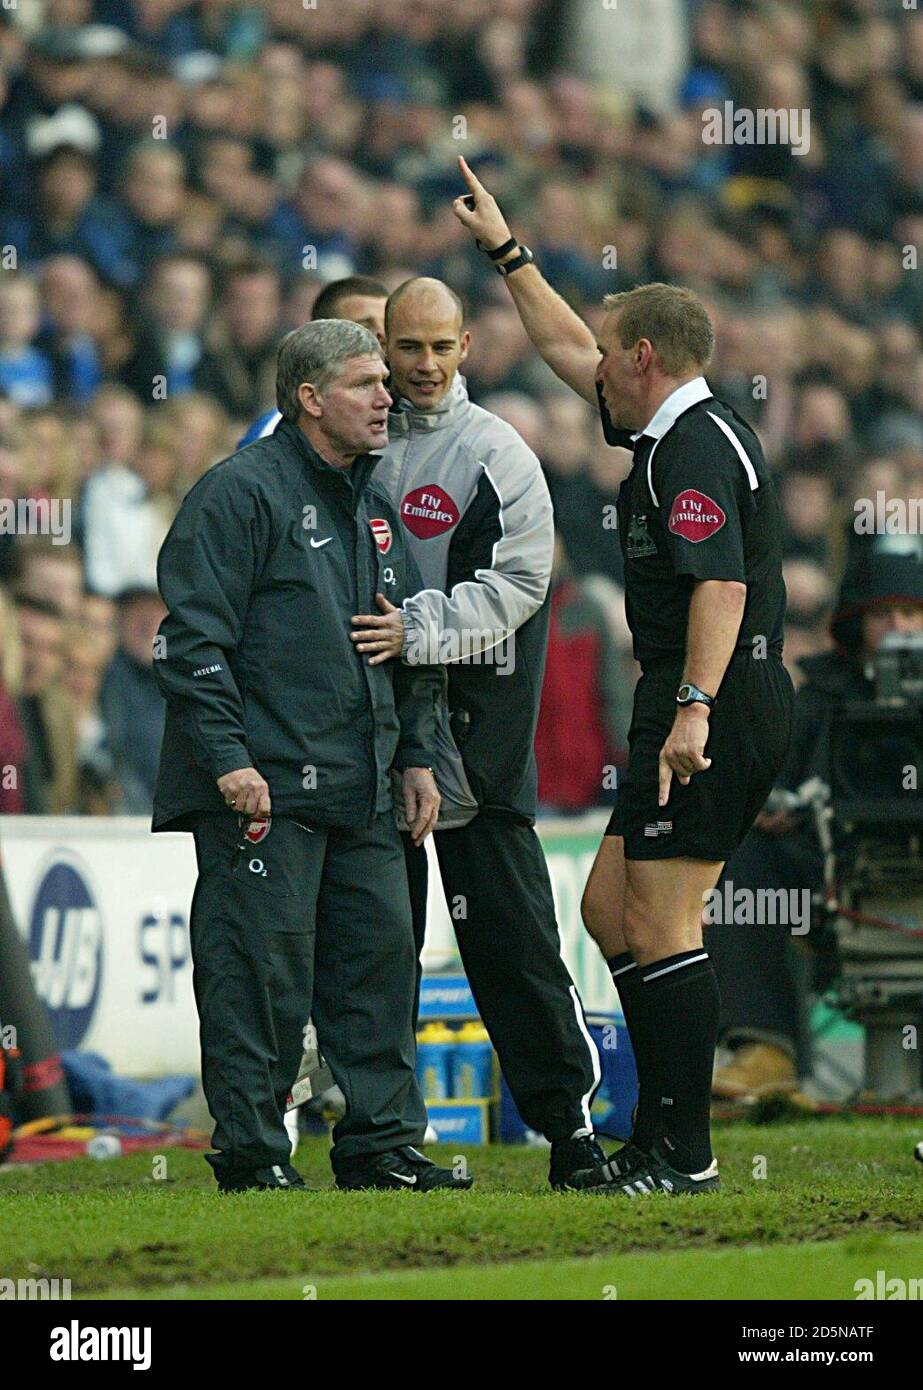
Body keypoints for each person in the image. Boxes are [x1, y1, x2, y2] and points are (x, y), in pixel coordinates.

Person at [452, 161, 793, 1196]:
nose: (588, 367)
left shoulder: (689, 448)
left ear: (641, 357)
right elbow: (563, 345)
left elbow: (720, 591)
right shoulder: (667, 425)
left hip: (713, 700)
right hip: (685, 699)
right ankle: (659, 1134)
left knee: (662, 917)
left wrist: (689, 707)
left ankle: (678, 1151)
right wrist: (507, 253)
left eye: (606, 353)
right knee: (609, 908)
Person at [152, 318, 468, 1194]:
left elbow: (402, 643)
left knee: (377, 968)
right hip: (264, 790)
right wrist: (229, 762)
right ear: (308, 397)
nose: (387, 395)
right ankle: (252, 1155)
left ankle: (381, 1146)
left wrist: (415, 757)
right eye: (367, 382)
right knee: (257, 977)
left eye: (384, 381)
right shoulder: (238, 495)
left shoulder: (374, 504)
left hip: (364, 784)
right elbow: (190, 643)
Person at [348, 276, 604, 1188]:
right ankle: (381, 1138)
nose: (422, 367)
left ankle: (571, 1135)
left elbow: (519, 586)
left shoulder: (498, 453)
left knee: (517, 952)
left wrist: (412, 628)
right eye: (405, 348)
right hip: (372, 747)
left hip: (479, 752)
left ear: (465, 348)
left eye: (440, 348)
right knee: (378, 953)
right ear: (383, 345)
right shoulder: (353, 445)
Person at [709, 545, 923, 1100]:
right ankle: (767, 1048)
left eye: (911, 613)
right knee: (741, 867)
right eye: (883, 614)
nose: (898, 628)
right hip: (832, 880)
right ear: (856, 623)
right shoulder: (820, 697)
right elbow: (771, 780)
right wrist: (770, 805)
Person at [237, 275, 388, 444]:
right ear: (322, 337)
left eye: (387, 325)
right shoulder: (272, 434)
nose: (382, 336)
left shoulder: (410, 422)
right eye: (364, 327)